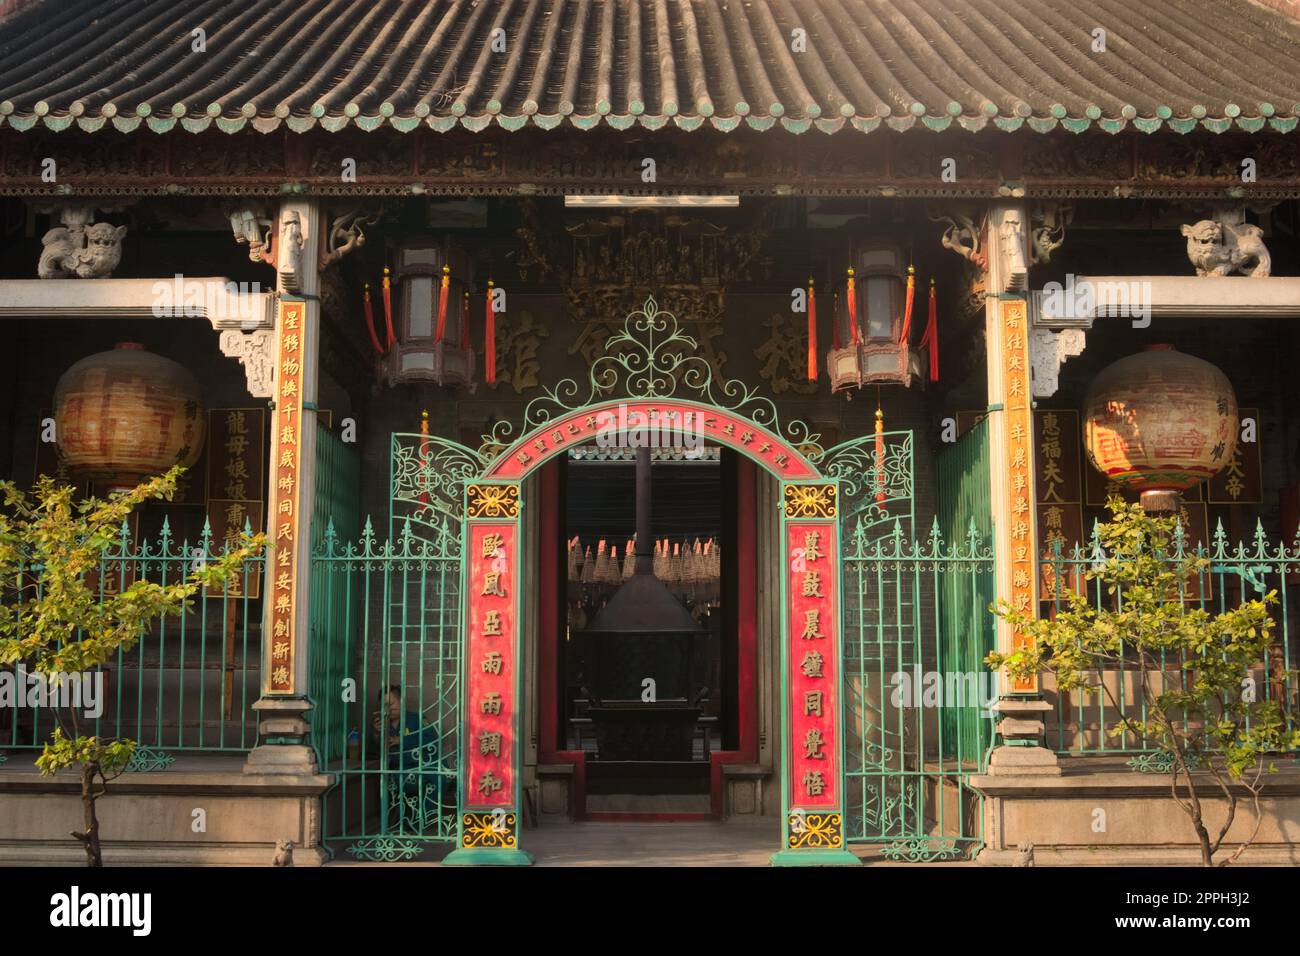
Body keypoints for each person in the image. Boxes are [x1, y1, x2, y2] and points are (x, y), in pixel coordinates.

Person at [370, 686, 455, 829]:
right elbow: (373, 753)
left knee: (439, 777)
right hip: (401, 771)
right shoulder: (381, 725)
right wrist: (377, 734)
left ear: (402, 702)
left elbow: (432, 740)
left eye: (391, 704)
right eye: (384, 706)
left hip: (425, 766)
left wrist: (402, 740)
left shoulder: (417, 719)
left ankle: (427, 818)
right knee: (391, 782)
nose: (388, 709)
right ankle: (403, 821)